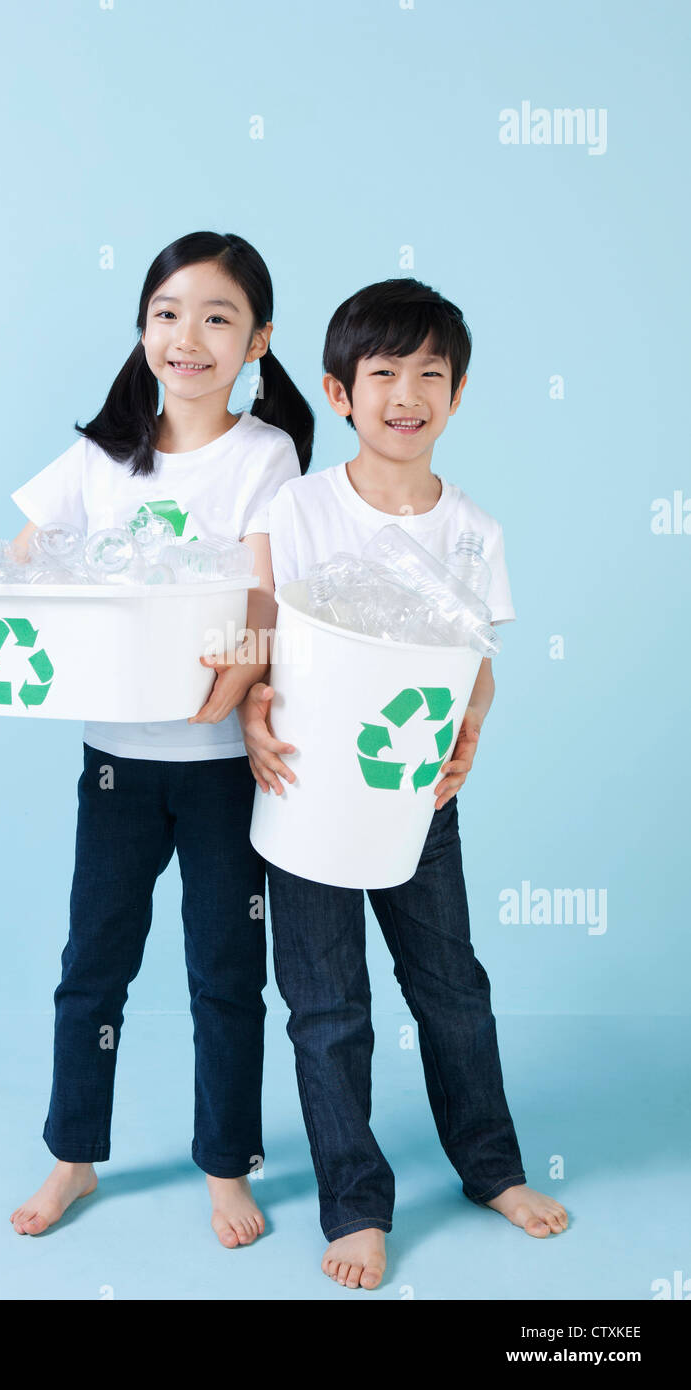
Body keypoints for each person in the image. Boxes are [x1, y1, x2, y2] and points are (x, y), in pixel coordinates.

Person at [240, 278, 568, 1289]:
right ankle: (354, 1203)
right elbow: (251, 627)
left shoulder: (471, 532)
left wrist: (468, 730)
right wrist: (251, 701)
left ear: (456, 394)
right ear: (340, 393)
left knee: (450, 989)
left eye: (430, 372)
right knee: (326, 1005)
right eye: (381, 372)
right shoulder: (295, 508)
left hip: (417, 802)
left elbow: (475, 663)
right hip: (303, 795)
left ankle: (492, 1168)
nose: (405, 392)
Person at [8, 230, 313, 1247]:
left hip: (224, 769)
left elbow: (266, 598)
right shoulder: (99, 456)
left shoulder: (263, 455)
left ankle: (226, 1166)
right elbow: (19, 561)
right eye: (168, 313)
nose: (188, 335)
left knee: (226, 971)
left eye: (218, 317)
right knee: (94, 964)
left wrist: (226, 686)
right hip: (114, 766)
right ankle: (73, 1157)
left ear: (256, 341)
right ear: (143, 330)